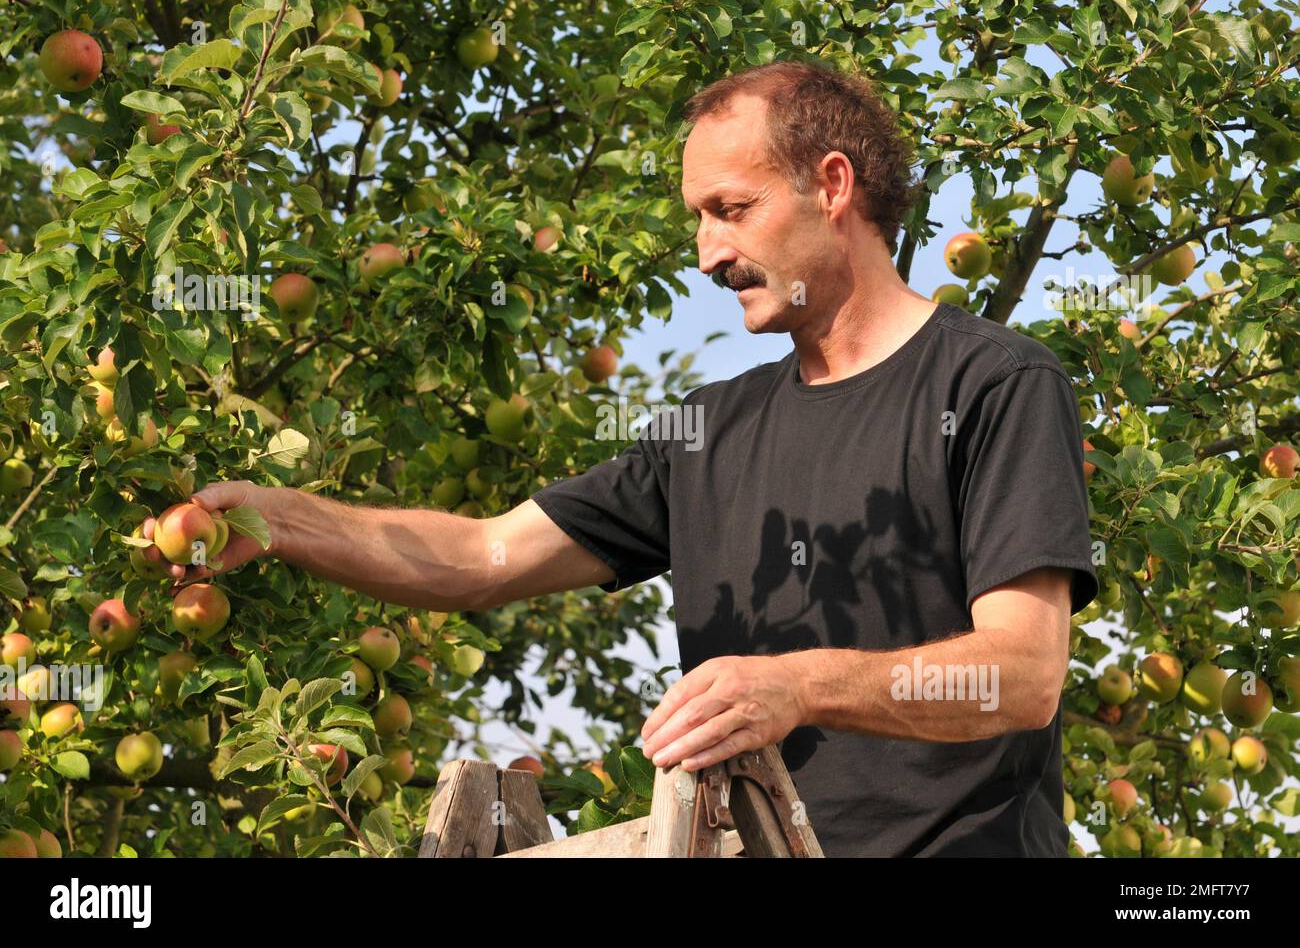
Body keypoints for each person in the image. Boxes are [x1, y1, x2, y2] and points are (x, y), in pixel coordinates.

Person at [175, 60, 1097, 857]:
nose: (706, 254)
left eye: (731, 210)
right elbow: (481, 559)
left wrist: (795, 683)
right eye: (698, 218)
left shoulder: (994, 383)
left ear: (832, 184)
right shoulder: (707, 433)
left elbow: (1020, 674)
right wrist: (277, 517)